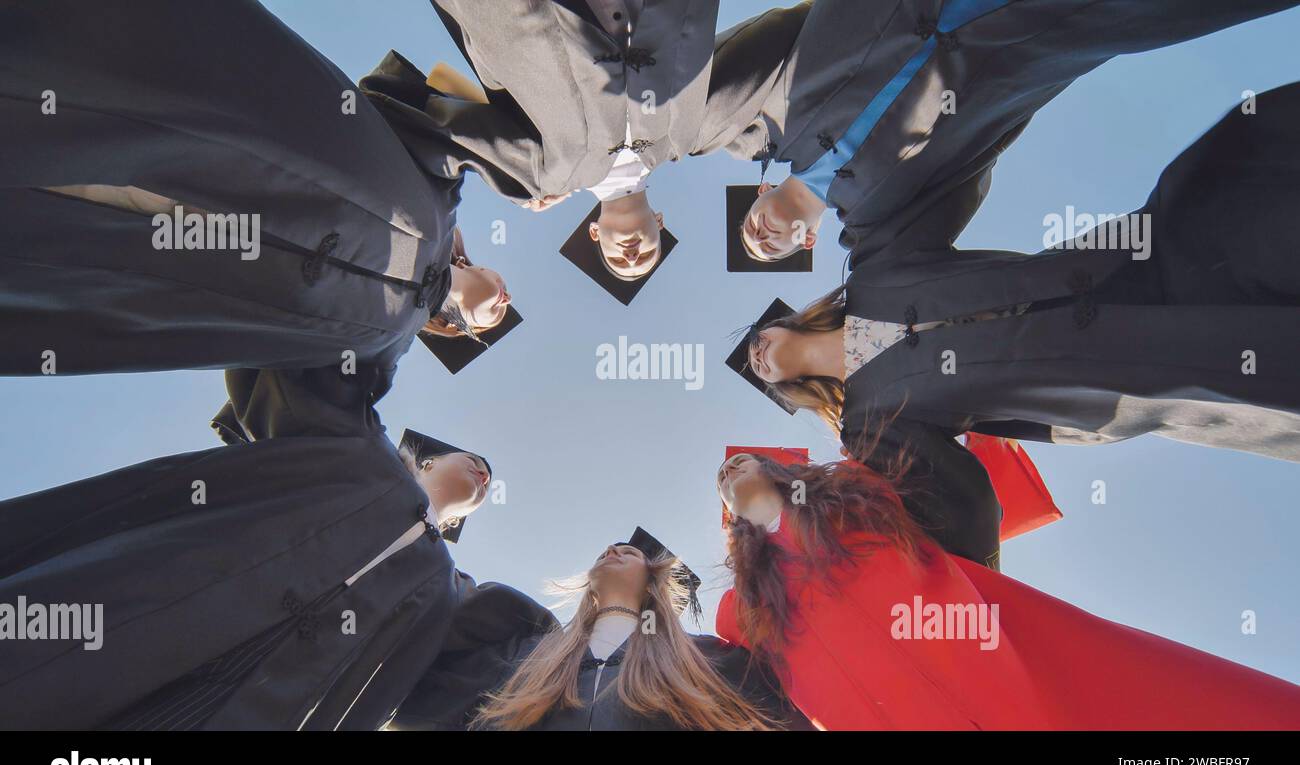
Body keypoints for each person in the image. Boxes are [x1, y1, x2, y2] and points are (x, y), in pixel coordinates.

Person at [728, 84, 1300, 468]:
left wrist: (820, 190)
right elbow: (955, 508)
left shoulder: (875, 268)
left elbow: (947, 166)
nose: (756, 353)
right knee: (1266, 365)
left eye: (754, 340)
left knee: (1258, 208)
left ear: (785, 322)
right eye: (757, 368)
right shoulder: (868, 429)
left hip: (1128, 264)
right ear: (786, 392)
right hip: (1118, 378)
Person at [0, 0, 512, 385]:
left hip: (173, 260)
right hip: (227, 132)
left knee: (54, 215)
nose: (503, 303)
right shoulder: (444, 197)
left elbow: (305, 436)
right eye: (508, 294)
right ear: (489, 267)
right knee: (67, 84)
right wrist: (519, 170)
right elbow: (418, 109)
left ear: (463, 332)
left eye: (494, 323)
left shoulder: (379, 360)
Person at [0, 358, 495, 730]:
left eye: (489, 482)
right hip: (149, 606)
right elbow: (304, 360)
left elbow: (509, 678)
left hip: (253, 708)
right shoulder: (359, 449)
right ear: (428, 460)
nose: (483, 473)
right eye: (474, 458)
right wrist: (433, 285)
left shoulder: (448, 595)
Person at [715, 448, 1300, 729]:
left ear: (779, 467)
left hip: (1017, 671)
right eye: (722, 474)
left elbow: (967, 490)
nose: (729, 470)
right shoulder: (741, 610)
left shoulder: (859, 493)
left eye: (742, 460)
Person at [727, 0, 1298, 264]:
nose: (759, 236)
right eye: (768, 249)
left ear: (757, 194)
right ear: (807, 242)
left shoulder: (770, 121)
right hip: (1039, 34)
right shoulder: (880, 221)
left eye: (750, 232)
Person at [361, 0, 810, 280]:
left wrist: (516, 185)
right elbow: (781, 43)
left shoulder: (544, 173)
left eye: (619, 262)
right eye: (646, 258)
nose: (633, 258)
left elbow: (426, 124)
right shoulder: (693, 133)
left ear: (594, 233)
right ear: (660, 221)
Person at [391, 527, 809, 730]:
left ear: (656, 582)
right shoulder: (523, 649)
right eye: (607, 550)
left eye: (627, 551)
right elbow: (418, 677)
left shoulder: (709, 658)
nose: (612, 549)